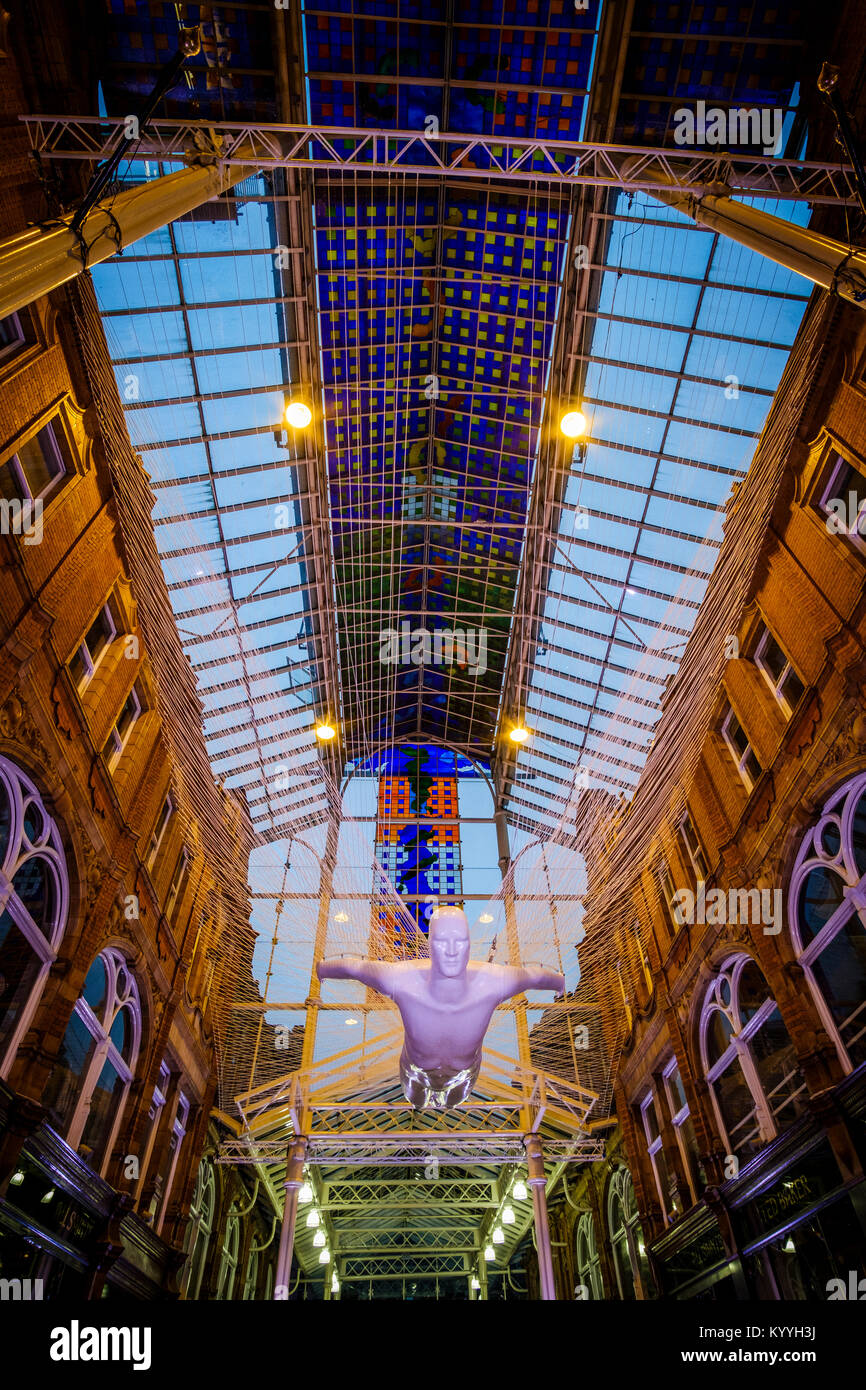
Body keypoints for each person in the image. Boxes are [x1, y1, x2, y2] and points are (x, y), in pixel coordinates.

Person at [316, 906, 565, 1109]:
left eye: (460, 941)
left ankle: (445, 1103)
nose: (452, 951)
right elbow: (354, 969)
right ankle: (422, 1104)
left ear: (469, 944)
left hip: (465, 1074)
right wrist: (322, 970)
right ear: (430, 944)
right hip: (414, 1070)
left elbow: (533, 977)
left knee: (452, 1104)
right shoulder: (401, 979)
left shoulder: (493, 982)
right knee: (418, 1103)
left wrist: (558, 984)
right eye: (442, 941)